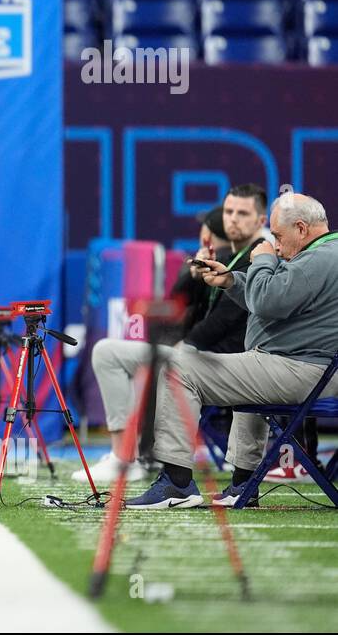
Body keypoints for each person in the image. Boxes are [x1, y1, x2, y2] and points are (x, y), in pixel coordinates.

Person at [127, 193, 338, 508]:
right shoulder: (321, 254)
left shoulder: (321, 258)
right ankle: (243, 484)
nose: (276, 245)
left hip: (305, 371)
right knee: (249, 364)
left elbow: (268, 301)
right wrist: (231, 282)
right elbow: (273, 300)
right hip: (304, 368)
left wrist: (263, 257)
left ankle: (176, 482)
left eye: (278, 237)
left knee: (178, 368)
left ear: (301, 228)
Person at [75, 185, 268, 484]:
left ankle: (131, 459)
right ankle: (127, 455)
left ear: (261, 220)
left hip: (224, 362)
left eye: (242, 213)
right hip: (202, 355)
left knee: (121, 356)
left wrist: (185, 346)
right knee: (107, 351)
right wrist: (191, 278)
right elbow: (177, 305)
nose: (232, 219)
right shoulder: (230, 255)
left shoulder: (260, 258)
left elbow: (226, 321)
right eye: (229, 211)